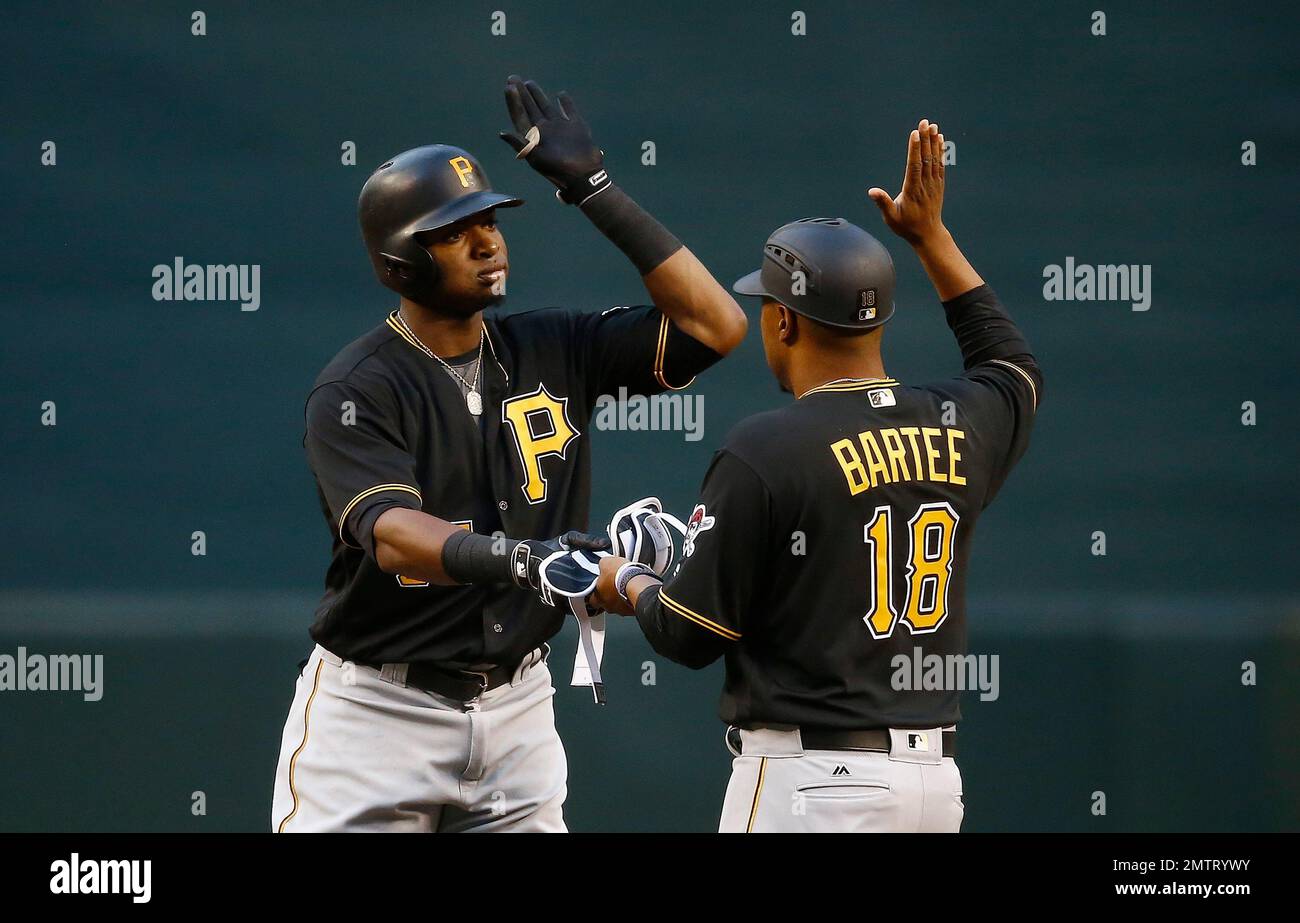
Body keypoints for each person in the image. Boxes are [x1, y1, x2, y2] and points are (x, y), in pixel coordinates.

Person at [271, 76, 746, 833]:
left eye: (490, 220)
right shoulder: (356, 387)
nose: (489, 240)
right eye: (457, 230)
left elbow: (716, 324)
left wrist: (594, 189)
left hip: (517, 706)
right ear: (402, 261)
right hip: (377, 713)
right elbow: (395, 536)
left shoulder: (555, 345)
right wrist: (526, 559)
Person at [593, 119, 1042, 833]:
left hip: (812, 784)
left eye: (766, 304)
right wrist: (931, 237)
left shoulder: (766, 448)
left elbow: (687, 633)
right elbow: (1012, 365)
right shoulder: (963, 423)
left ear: (785, 323)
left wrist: (626, 578)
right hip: (932, 785)